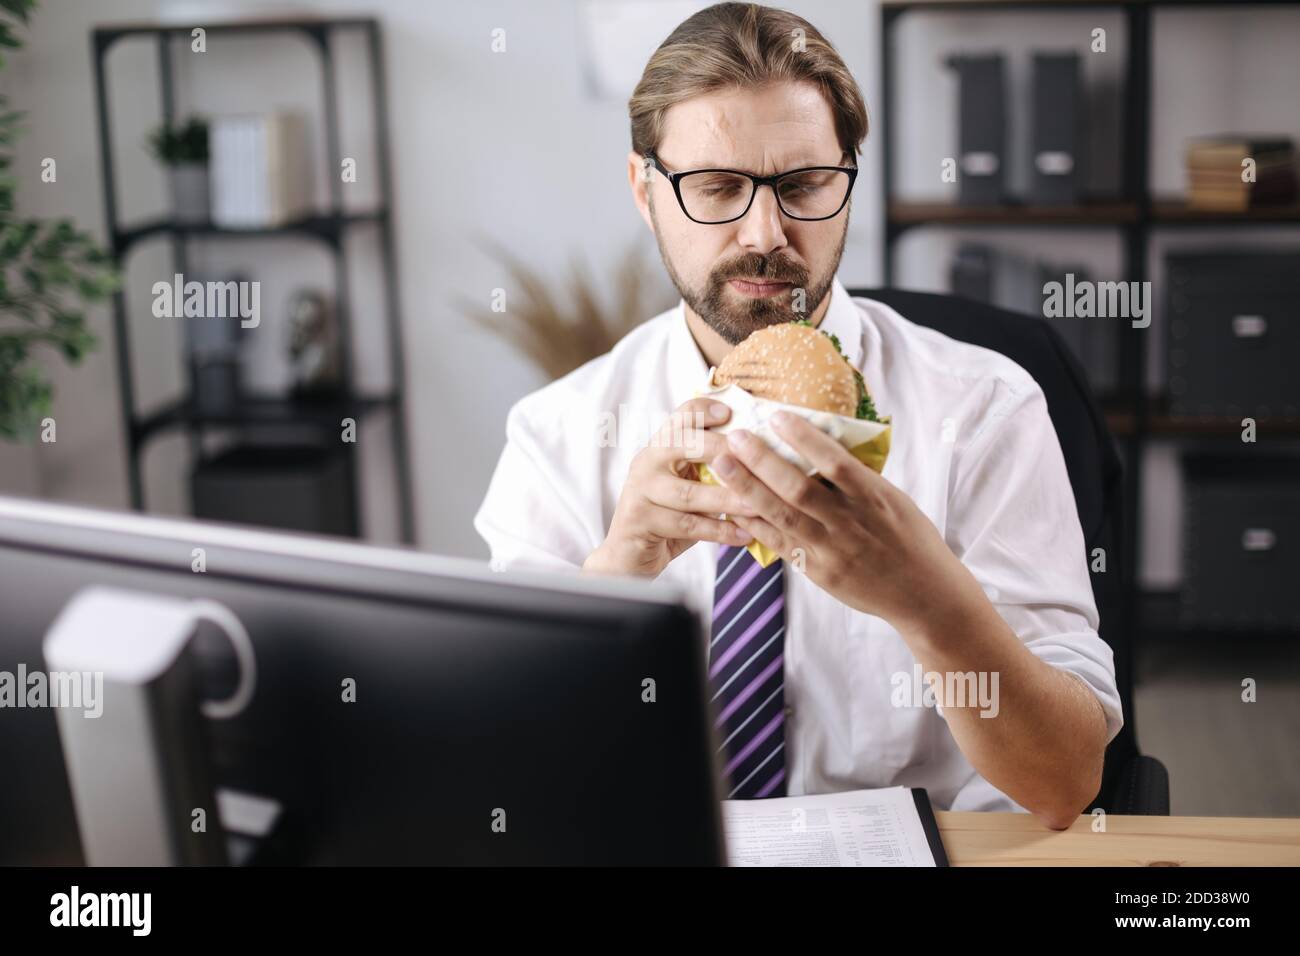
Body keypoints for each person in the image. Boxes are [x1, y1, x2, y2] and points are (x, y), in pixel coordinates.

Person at [474, 2, 1120, 828]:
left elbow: (1067, 782)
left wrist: (930, 605)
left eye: (805, 184)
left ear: (849, 177)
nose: (766, 234)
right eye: (716, 187)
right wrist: (617, 578)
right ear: (646, 191)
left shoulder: (985, 408)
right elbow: (512, 769)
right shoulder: (558, 433)